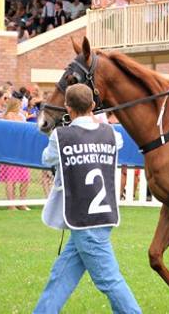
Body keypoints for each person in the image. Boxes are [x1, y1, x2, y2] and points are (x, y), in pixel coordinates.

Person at [34, 84, 141, 314]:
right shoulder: (112, 134)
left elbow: (46, 158)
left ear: (67, 108)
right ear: (93, 105)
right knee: (60, 275)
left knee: (109, 280)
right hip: (101, 216)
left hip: (82, 217)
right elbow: (114, 141)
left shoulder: (60, 137)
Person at [0, 96, 31, 211]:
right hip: (10, 151)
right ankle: (11, 204)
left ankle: (22, 202)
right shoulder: (7, 116)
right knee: (11, 179)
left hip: (21, 150)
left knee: (25, 178)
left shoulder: (21, 116)